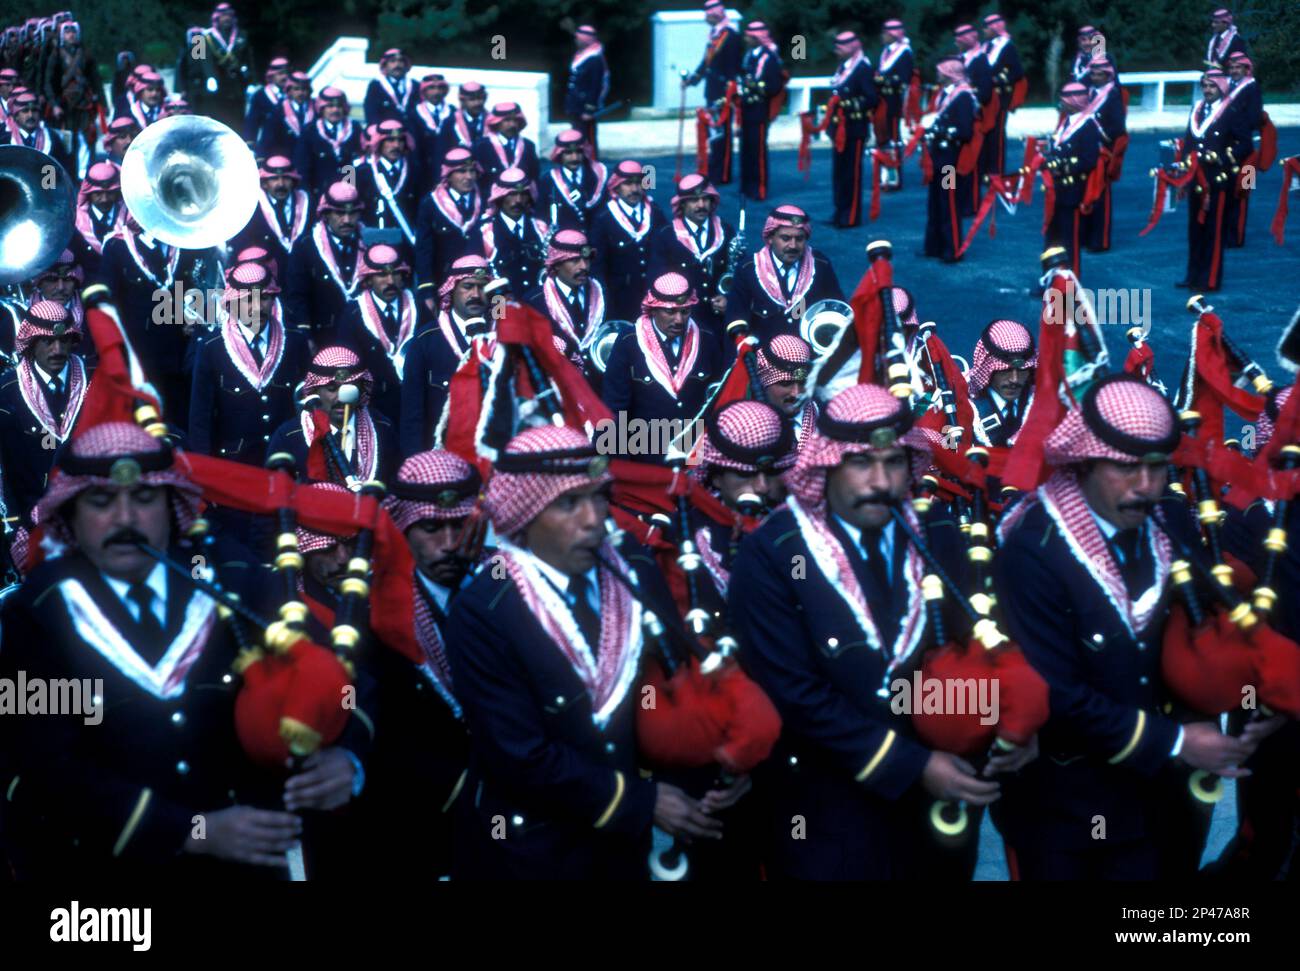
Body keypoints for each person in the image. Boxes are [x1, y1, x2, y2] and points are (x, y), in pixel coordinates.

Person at [0, 421, 365, 877]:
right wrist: (191, 831)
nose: (125, 518)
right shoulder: (38, 612)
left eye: (144, 498)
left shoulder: (230, 578)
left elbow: (345, 677)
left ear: (172, 505)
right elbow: (47, 766)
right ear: (71, 513)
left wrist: (348, 756)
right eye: (101, 501)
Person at [732, 383, 1009, 879]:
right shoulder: (773, 551)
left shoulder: (938, 530)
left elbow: (975, 639)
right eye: (862, 463)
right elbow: (792, 692)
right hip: (823, 818)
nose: (880, 481)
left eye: (895, 462)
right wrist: (914, 766)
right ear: (828, 463)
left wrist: (1004, 724)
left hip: (935, 822)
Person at [993, 374, 1261, 879]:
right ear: (1086, 461)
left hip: (1155, 804)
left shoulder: (1173, 523)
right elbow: (1057, 693)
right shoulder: (1031, 551)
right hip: (1062, 810)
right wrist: (1179, 742)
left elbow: (1197, 632)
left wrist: (1236, 697)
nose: (1146, 486)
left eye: (1158, 467)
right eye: (1126, 467)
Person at [445, 424, 718, 878]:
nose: (594, 519)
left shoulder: (631, 566)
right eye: (569, 503)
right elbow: (520, 756)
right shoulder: (483, 610)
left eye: (598, 496)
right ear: (524, 514)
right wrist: (641, 801)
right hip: (531, 852)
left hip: (623, 851)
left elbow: (664, 691)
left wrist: (712, 766)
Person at [360, 449, 480, 878]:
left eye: (459, 526)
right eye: (431, 528)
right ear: (403, 527)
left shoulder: (505, 589)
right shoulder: (371, 610)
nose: (449, 544)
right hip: (415, 819)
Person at [189, 261, 310, 467]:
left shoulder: (295, 341)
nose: (257, 307)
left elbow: (309, 405)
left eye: (264, 298)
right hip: (237, 465)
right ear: (232, 303)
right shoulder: (211, 348)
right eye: (248, 300)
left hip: (288, 462)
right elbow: (200, 419)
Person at [600, 272, 722, 462]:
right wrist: (621, 465)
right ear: (653, 309)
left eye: (685, 311)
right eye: (670, 312)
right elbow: (613, 409)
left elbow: (719, 399)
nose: (679, 320)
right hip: (646, 458)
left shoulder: (706, 338)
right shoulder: (629, 342)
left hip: (696, 456)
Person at [94, 215, 198, 423]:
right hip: (141, 353)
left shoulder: (185, 241)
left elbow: (191, 283)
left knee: (179, 417)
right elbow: (109, 298)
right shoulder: (117, 245)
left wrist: (192, 312)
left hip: (179, 351)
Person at [0, 301, 88, 520]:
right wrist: (16, 526)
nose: (57, 350)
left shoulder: (97, 380)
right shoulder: (6, 390)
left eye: (64, 340)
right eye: (48, 341)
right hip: (33, 517)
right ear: (30, 343)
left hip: (91, 512)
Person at [266, 345, 399, 489]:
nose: (341, 398)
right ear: (315, 390)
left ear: (361, 388)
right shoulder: (289, 436)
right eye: (332, 389)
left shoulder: (382, 429)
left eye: (349, 388)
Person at [399, 255, 491, 457]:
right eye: (467, 286)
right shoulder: (426, 340)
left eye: (482, 287)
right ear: (451, 290)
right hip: (443, 456)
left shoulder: (501, 335)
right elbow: (412, 416)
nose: (476, 294)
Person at [334, 244, 426, 425]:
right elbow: (348, 365)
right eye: (382, 275)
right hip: (373, 409)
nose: (390, 281)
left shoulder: (419, 308)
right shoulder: (353, 314)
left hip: (416, 404)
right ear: (368, 280)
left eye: (396, 273)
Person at [727, 204, 842, 347]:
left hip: (808, 357)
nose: (793, 246)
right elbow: (736, 315)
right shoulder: (748, 268)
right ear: (770, 238)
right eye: (785, 238)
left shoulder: (820, 265)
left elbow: (837, 310)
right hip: (763, 356)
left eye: (799, 239)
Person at [1178, 69, 1250, 291]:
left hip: (1217, 179)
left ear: (1221, 87)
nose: (1208, 90)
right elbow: (1190, 140)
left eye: (1212, 86)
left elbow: (1245, 144)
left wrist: (1224, 157)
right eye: (1205, 86)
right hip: (1196, 178)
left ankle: (1209, 279)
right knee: (1195, 230)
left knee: (1213, 230)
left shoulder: (1231, 110)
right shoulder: (1197, 109)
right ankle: (1192, 276)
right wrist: (1182, 166)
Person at [648, 174, 734, 341]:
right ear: (683, 204)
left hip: (719, 323)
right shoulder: (666, 236)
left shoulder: (726, 231)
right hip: (682, 325)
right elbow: (655, 281)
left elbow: (737, 275)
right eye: (694, 200)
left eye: (706, 199)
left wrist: (728, 299)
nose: (701, 205)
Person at [284, 181, 366, 343]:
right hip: (323, 336)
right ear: (326, 214)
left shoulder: (370, 242)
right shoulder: (305, 246)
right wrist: (305, 335)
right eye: (339, 214)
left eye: (353, 214)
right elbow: (297, 296)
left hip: (364, 336)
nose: (347, 220)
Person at [589, 160, 667, 323]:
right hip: (620, 298)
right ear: (616, 186)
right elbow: (597, 264)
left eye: (638, 183)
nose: (634, 189)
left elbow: (668, 253)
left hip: (655, 294)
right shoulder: (604, 218)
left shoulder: (655, 212)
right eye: (628, 184)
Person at [1043, 82, 1103, 278]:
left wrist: (1063, 167)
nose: (1061, 102)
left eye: (1065, 99)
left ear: (1075, 101)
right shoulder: (1066, 122)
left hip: (1073, 191)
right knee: (1052, 239)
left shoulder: (1088, 126)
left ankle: (1070, 281)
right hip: (1057, 190)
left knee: (1069, 241)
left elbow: (1088, 160)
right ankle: (1050, 278)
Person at [683, 0, 743, 185]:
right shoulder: (715, 34)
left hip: (723, 92)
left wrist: (730, 91)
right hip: (712, 90)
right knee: (714, 132)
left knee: (722, 134)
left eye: (708, 13)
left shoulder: (730, 35)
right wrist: (692, 80)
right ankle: (714, 170)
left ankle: (722, 174)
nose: (706, 16)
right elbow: (706, 62)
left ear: (717, 13)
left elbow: (733, 66)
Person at [415, 147, 484, 306]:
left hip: (480, 283)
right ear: (448, 175)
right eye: (461, 172)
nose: (468, 177)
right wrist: (427, 290)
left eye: (472, 171)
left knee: (495, 321)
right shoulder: (431, 204)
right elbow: (423, 250)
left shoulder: (487, 201)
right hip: (444, 283)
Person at [525, 230, 606, 361]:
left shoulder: (602, 294)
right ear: (556, 265)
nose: (584, 266)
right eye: (574, 261)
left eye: (587, 259)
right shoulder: (535, 302)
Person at [232, 156, 311, 284]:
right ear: (264, 183)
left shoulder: (308, 203)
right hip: (265, 282)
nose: (280, 184)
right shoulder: (250, 206)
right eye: (274, 179)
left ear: (293, 181)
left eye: (286, 178)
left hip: (304, 281)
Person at [827, 31, 877, 229]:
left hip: (854, 128)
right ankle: (840, 210)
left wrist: (846, 104)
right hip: (840, 128)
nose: (836, 49)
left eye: (840, 45)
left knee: (851, 174)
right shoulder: (843, 67)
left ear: (852, 47)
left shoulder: (862, 68)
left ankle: (851, 215)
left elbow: (871, 98)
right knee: (839, 173)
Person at [472, 167, 549, 296]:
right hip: (500, 304)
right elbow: (476, 277)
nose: (518, 200)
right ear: (500, 196)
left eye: (523, 194)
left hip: (537, 302)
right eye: (512, 194)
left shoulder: (541, 229)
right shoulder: (484, 232)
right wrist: (499, 312)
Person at [40, 19, 102, 176]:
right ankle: (67, 174)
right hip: (64, 106)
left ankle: (87, 175)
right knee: (66, 142)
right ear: (62, 35)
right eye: (67, 32)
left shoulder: (86, 53)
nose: (71, 35)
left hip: (84, 105)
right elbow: (48, 82)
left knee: (88, 139)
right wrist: (54, 104)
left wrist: (99, 99)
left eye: (73, 32)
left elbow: (95, 78)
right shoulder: (55, 55)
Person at [966, 319, 1036, 448]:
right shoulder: (962, 403)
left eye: (1022, 371)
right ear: (987, 369)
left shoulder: (1041, 402)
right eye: (1005, 370)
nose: (1014, 380)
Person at [355, 118, 421, 252]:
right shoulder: (361, 171)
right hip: (372, 243)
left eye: (400, 140)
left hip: (407, 243)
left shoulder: (417, 170)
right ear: (379, 143)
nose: (396, 145)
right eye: (390, 140)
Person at [1082, 56, 1127, 253]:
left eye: (1099, 74)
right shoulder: (1089, 93)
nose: (1094, 77)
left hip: (1103, 150)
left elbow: (1118, 127)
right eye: (1092, 73)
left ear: (1108, 76)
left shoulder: (1113, 95)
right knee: (1085, 193)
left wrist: (1099, 135)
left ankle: (1100, 240)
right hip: (1086, 148)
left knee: (1101, 196)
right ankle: (1085, 236)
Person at [737, 21, 784, 201]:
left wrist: (755, 86)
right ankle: (746, 186)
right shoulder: (749, 56)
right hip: (746, 109)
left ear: (757, 38)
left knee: (758, 151)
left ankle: (760, 188)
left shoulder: (769, 57)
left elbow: (774, 85)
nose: (746, 39)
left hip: (759, 109)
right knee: (746, 149)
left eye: (749, 36)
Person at [294, 87, 362, 203]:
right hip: (319, 194)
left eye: (339, 106)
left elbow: (359, 162)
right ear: (321, 109)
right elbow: (302, 168)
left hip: (349, 193)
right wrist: (308, 195)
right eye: (330, 107)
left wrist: (351, 189)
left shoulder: (355, 129)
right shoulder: (310, 130)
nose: (335, 110)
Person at [979, 13, 1025, 186]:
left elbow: (1016, 72)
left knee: (996, 135)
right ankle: (983, 170)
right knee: (983, 134)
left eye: (986, 28)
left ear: (994, 28)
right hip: (983, 96)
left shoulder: (1007, 46)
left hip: (998, 96)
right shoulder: (984, 46)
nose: (983, 31)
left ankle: (995, 172)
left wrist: (996, 79)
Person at [191, 3, 253, 130]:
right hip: (214, 88)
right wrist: (209, 77)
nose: (226, 19)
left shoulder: (242, 35)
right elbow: (196, 62)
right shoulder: (200, 37)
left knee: (237, 121)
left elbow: (249, 59)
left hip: (236, 87)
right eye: (223, 16)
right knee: (216, 121)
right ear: (216, 18)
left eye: (229, 16)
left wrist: (251, 80)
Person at [1224, 53, 1263, 248]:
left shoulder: (1253, 87)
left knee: (1243, 192)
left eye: (1238, 67)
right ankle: (1226, 234)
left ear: (1246, 69)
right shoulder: (1229, 87)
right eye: (1231, 67)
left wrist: (1237, 127)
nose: (1234, 71)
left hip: (1247, 150)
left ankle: (1237, 237)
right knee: (1227, 191)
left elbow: (1254, 118)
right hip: (1229, 146)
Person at [537, 128, 609, 234]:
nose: (574, 158)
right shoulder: (548, 180)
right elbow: (541, 215)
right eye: (568, 153)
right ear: (560, 154)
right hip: (564, 242)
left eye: (579, 152)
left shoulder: (598, 176)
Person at [952, 25, 991, 218]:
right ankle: (949, 197)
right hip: (952, 122)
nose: (956, 41)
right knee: (949, 165)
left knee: (970, 164)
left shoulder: (980, 60)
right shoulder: (959, 59)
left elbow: (985, 92)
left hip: (969, 119)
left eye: (960, 37)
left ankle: (970, 204)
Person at [755, 334, 817, 445]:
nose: (796, 393)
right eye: (785, 383)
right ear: (764, 382)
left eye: (802, 383)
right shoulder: (748, 428)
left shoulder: (823, 420)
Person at [874, 19, 913, 191]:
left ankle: (894, 178)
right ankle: (884, 177)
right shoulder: (886, 52)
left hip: (893, 101)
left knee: (893, 141)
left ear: (892, 34)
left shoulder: (904, 52)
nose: (882, 36)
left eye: (885, 33)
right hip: (882, 101)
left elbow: (903, 79)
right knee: (882, 140)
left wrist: (882, 80)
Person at [69, 161, 125, 278]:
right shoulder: (75, 222)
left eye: (110, 193)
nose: (104, 199)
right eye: (98, 194)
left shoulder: (129, 219)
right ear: (88, 193)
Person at [471, 102, 539, 195]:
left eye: (515, 120)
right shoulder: (482, 146)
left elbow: (534, 176)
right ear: (496, 123)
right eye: (507, 121)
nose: (512, 125)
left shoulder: (528, 146)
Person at [566, 25, 609, 153]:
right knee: (577, 137)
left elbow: (596, 86)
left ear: (585, 40)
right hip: (576, 105)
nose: (576, 41)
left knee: (587, 139)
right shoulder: (581, 56)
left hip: (584, 107)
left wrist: (589, 110)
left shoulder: (595, 59)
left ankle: (591, 165)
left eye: (578, 39)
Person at [4, 89, 71, 170]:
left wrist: (46, 182)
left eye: (34, 110)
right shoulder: (4, 137)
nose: (30, 115)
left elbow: (58, 168)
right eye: (25, 111)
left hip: (43, 181)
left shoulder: (51, 138)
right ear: (16, 116)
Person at [408, 74, 453, 192]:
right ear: (424, 91)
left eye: (440, 88)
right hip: (423, 169)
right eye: (431, 88)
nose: (436, 92)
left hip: (448, 169)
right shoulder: (413, 114)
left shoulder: (453, 112)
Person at [257, 71, 314, 161]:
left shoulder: (316, 108)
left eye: (304, 89)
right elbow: (268, 138)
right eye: (296, 89)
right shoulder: (279, 111)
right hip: (289, 161)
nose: (300, 93)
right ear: (289, 91)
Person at [244, 56, 289, 148]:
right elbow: (252, 123)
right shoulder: (260, 96)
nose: (285, 77)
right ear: (272, 76)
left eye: (287, 73)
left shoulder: (294, 93)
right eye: (280, 74)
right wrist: (250, 145)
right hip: (271, 147)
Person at [364, 48, 414, 127]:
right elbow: (371, 113)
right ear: (385, 65)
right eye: (392, 61)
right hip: (385, 133)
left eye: (400, 61)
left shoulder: (415, 85)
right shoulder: (376, 86)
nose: (397, 65)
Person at [441, 80, 488, 153]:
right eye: (472, 100)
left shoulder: (493, 121)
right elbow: (441, 152)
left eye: (480, 99)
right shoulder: (450, 122)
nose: (477, 103)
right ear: (462, 101)